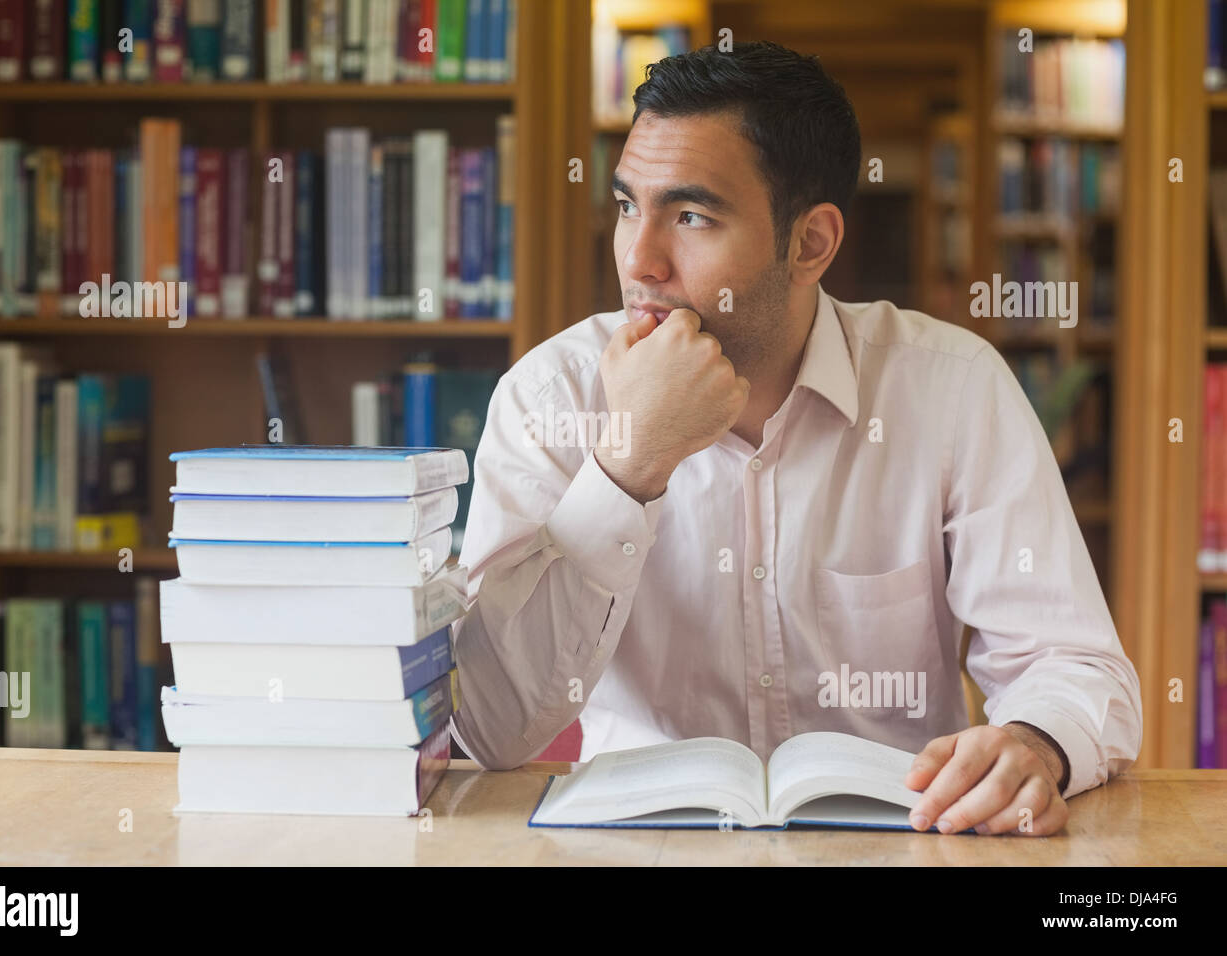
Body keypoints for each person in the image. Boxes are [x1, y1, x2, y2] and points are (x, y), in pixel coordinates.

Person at [449, 41, 1140, 837]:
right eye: (627, 205)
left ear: (810, 243)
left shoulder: (953, 388)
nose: (639, 259)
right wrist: (627, 468)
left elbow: (1077, 666)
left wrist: (1034, 742)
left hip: (904, 846)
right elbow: (488, 730)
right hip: (633, 848)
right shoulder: (550, 398)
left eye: (691, 216)